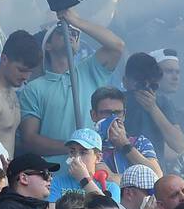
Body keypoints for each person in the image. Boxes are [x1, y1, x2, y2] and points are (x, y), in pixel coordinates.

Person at [17, 9, 125, 165]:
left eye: (75, 33)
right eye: (62, 31)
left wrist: (76, 20)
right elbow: (30, 139)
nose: (71, 35)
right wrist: (75, 146)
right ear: (47, 45)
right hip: (55, 175)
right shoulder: (34, 88)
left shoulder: (89, 70)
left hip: (92, 174)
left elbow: (117, 46)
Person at [48, 127, 121, 205]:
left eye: (83, 152)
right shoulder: (56, 182)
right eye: (72, 151)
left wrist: (84, 180)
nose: (76, 158)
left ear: (98, 158)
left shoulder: (110, 188)